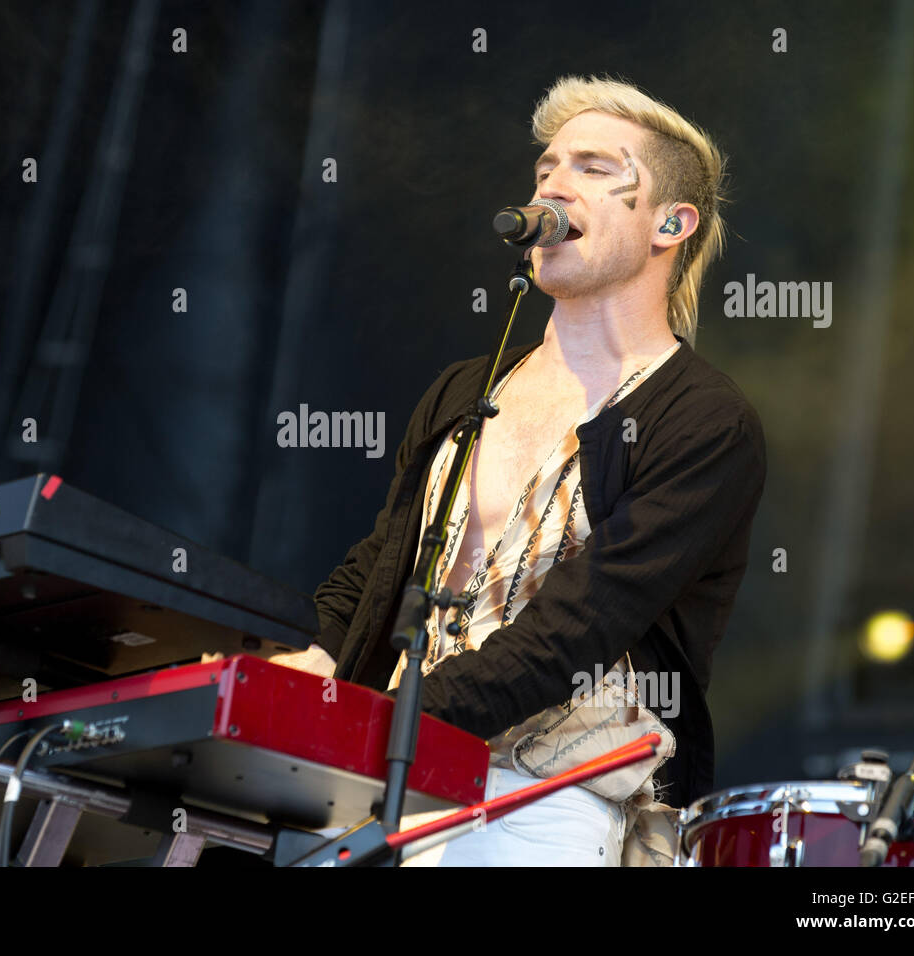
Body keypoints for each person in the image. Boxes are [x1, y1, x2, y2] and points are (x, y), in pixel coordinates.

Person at [279, 75, 767, 866]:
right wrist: (311, 665)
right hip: (383, 760)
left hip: (545, 792)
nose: (553, 186)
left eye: (593, 168)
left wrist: (384, 717)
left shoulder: (703, 421)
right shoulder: (466, 389)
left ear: (671, 223)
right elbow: (382, 565)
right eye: (546, 169)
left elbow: (577, 629)